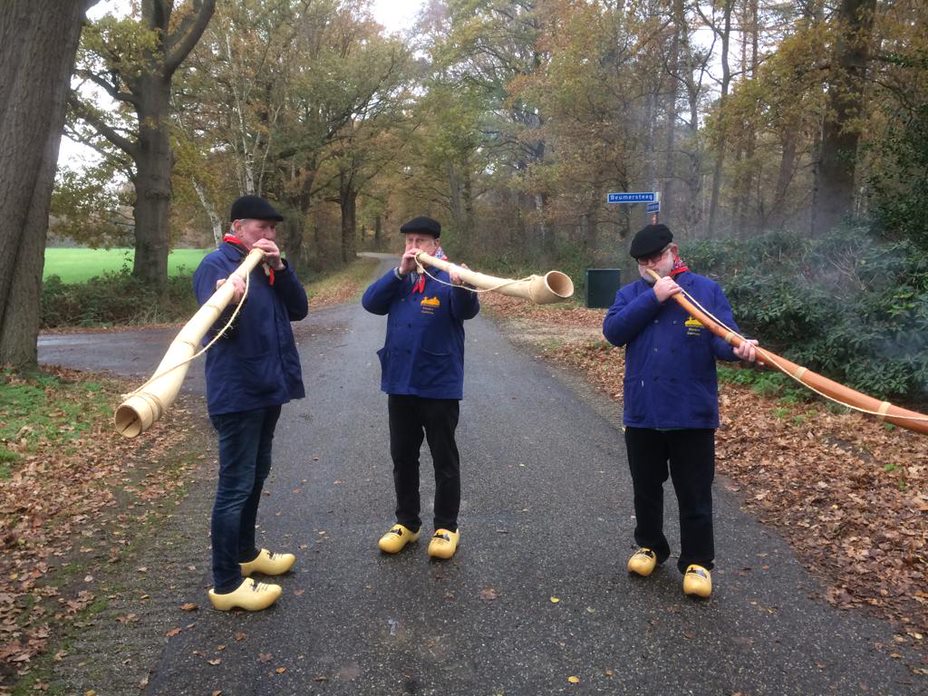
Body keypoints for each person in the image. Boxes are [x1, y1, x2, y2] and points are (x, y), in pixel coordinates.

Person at [602, 223, 757, 599]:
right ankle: (651, 546)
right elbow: (614, 332)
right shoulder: (630, 294)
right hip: (643, 413)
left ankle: (698, 562)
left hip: (691, 414)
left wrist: (740, 350)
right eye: (643, 261)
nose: (650, 264)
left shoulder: (705, 291)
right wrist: (653, 296)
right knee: (646, 489)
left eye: (656, 257)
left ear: (673, 251)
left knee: (694, 492)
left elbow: (723, 341)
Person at [193, 194, 308, 611]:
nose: (270, 235)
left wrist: (281, 268)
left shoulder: (266, 266)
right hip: (237, 392)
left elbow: (299, 310)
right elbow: (214, 332)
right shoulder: (216, 266)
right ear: (239, 227)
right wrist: (227, 302)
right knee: (235, 485)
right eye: (262, 228)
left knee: (257, 474)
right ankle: (226, 584)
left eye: (274, 229)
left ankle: (246, 555)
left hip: (268, 387)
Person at [362, 216, 480, 560]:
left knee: (444, 458)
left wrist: (463, 284)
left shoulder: (449, 274)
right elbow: (370, 303)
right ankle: (407, 523)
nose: (414, 247)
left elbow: (467, 311)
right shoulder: (402, 277)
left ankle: (446, 526)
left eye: (420, 242)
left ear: (435, 244)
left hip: (438, 383)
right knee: (403, 456)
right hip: (400, 382)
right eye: (409, 241)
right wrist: (398, 271)